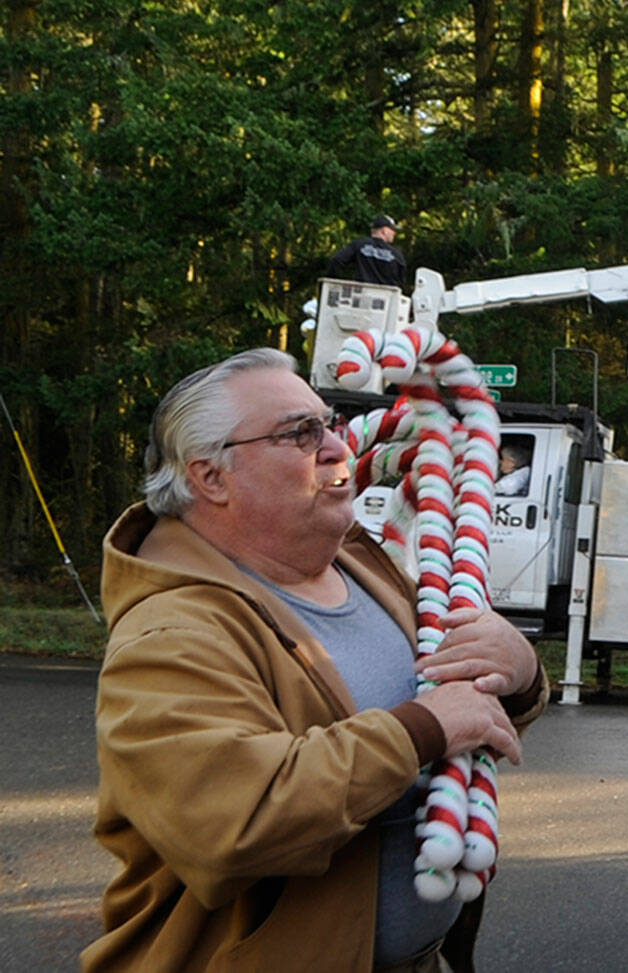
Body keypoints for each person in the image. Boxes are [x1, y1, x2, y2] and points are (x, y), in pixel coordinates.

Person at [86, 348, 547, 972]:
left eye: (329, 423)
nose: (336, 446)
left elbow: (464, 714)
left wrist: (519, 674)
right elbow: (234, 823)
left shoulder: (360, 566)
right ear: (211, 477)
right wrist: (422, 729)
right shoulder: (170, 633)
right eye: (299, 433)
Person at [328, 214, 409, 288]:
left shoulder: (359, 245)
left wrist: (333, 283)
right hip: (385, 297)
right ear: (384, 230)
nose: (394, 233)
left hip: (360, 295)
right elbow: (401, 282)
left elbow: (336, 260)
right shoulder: (396, 254)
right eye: (392, 229)